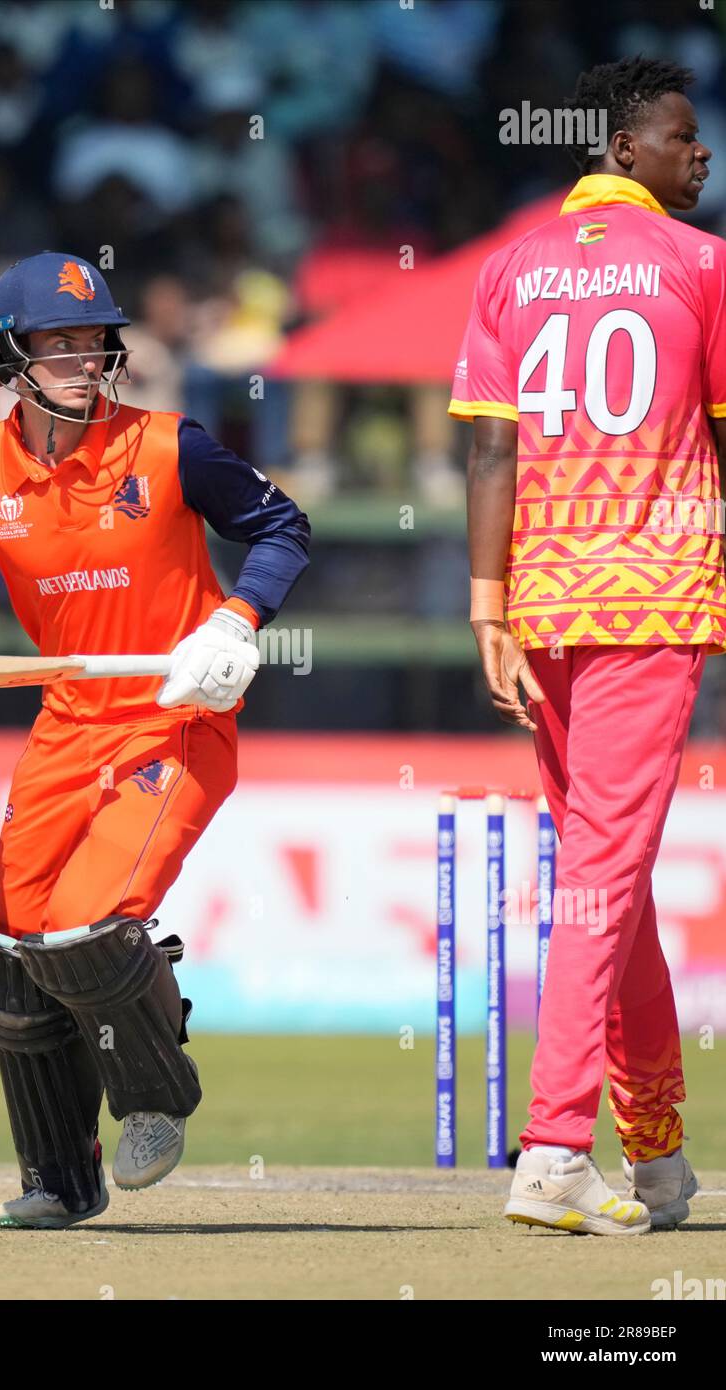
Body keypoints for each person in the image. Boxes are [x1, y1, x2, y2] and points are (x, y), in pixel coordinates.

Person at [0, 252, 310, 1229]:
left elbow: (281, 526)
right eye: (56, 342)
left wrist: (235, 618)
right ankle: (59, 1179)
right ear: (9, 355)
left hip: (177, 716)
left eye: (90, 339)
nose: (80, 358)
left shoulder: (170, 445)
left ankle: (154, 1094)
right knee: (13, 946)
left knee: (86, 924)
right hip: (67, 727)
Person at [449, 58, 725, 1235]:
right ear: (622, 150)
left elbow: (486, 456)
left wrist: (485, 606)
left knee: (614, 882)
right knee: (603, 879)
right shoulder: (700, 264)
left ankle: (655, 1152)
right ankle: (555, 1147)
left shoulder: (508, 265)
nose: (699, 154)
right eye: (680, 135)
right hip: (653, 597)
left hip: (545, 601)